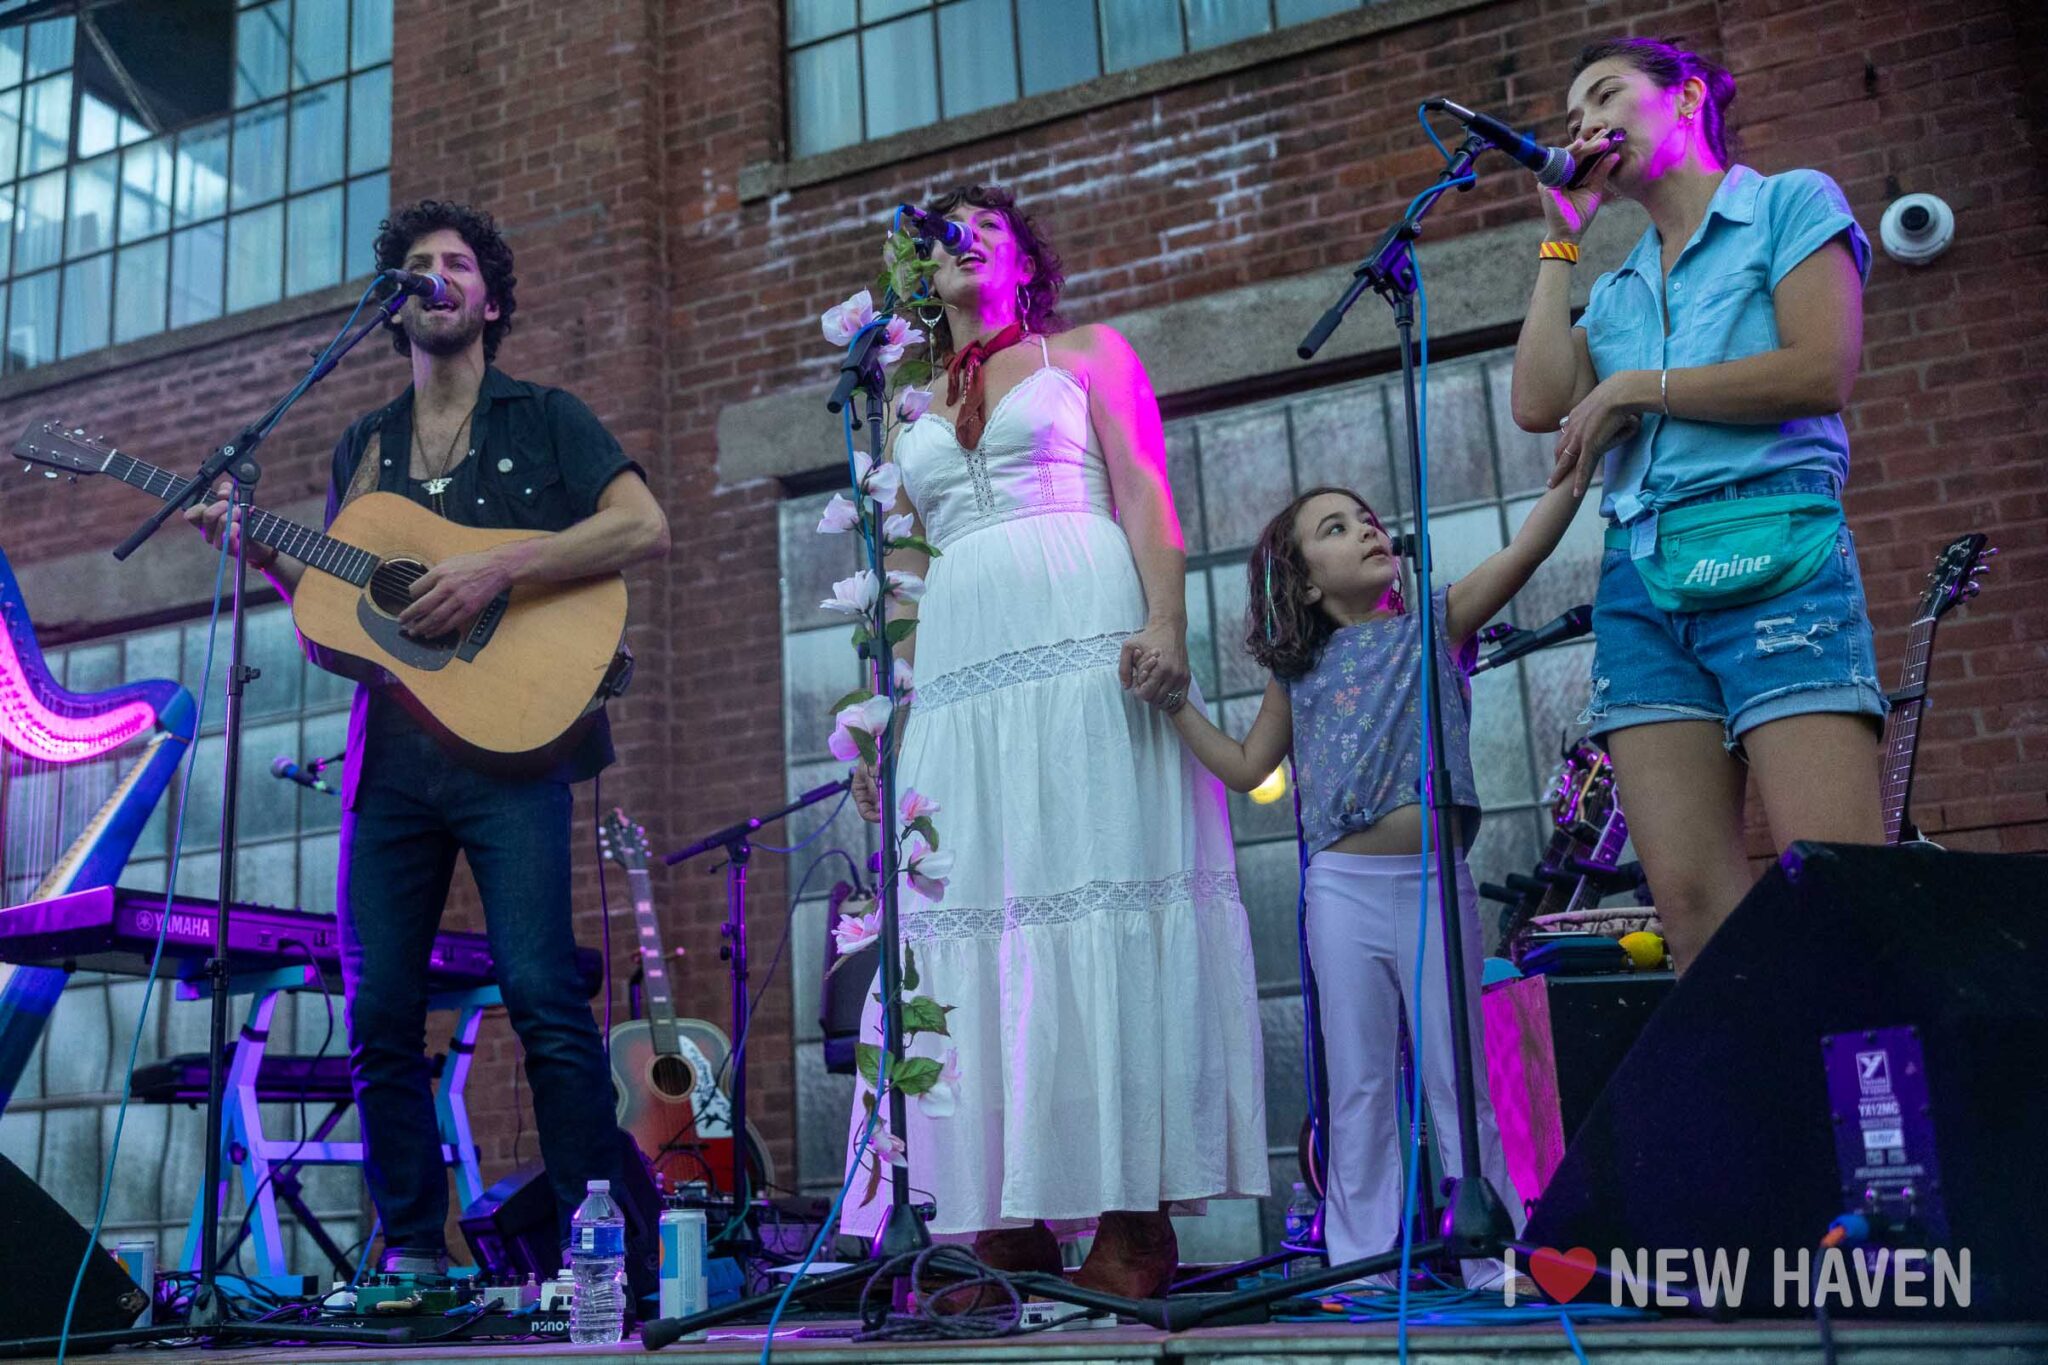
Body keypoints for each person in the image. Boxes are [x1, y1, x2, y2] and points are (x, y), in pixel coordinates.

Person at [187, 199, 669, 1273]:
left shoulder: (545, 416)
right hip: (393, 763)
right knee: (378, 1013)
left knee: (544, 995)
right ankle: (413, 1253)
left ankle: (610, 1256)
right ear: (393, 306)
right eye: (415, 267)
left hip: (516, 754)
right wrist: (259, 554)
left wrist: (497, 568)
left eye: (456, 265)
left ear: (491, 300)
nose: (435, 276)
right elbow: (338, 623)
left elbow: (642, 525)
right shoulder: (364, 448)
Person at [843, 184, 1267, 1298]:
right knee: (979, 918)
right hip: (962, 679)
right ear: (917, 279)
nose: (963, 244)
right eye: (942, 239)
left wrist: (1164, 623)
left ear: (1025, 262)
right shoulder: (901, 405)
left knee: (1103, 887)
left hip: (1085, 645)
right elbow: (908, 571)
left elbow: (1146, 498)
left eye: (987, 227)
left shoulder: (1087, 353)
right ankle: (1005, 1213)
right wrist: (885, 723)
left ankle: (1132, 1213)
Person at [1510, 37, 1884, 973]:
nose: (1585, 124)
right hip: (1643, 574)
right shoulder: (1620, 284)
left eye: (1606, 94)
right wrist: (1561, 239)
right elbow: (1535, 405)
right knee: (1685, 899)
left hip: (1776, 547)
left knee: (1833, 879)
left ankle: (1867, 1109)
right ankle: (1766, 1113)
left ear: (1683, 101)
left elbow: (1820, 369)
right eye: (1570, 118)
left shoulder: (1788, 204)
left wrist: (1641, 388)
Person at [1162, 479, 1590, 1286]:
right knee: (1357, 1081)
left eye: (1365, 517)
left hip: (1436, 880)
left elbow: (1527, 548)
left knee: (1457, 1074)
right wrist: (1180, 707)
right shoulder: (1302, 669)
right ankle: (1361, 1262)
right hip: (1343, 890)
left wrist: (1577, 467)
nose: (1365, 528)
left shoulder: (1435, 618)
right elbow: (1249, 764)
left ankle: (1488, 1252)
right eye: (1335, 527)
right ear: (1307, 581)